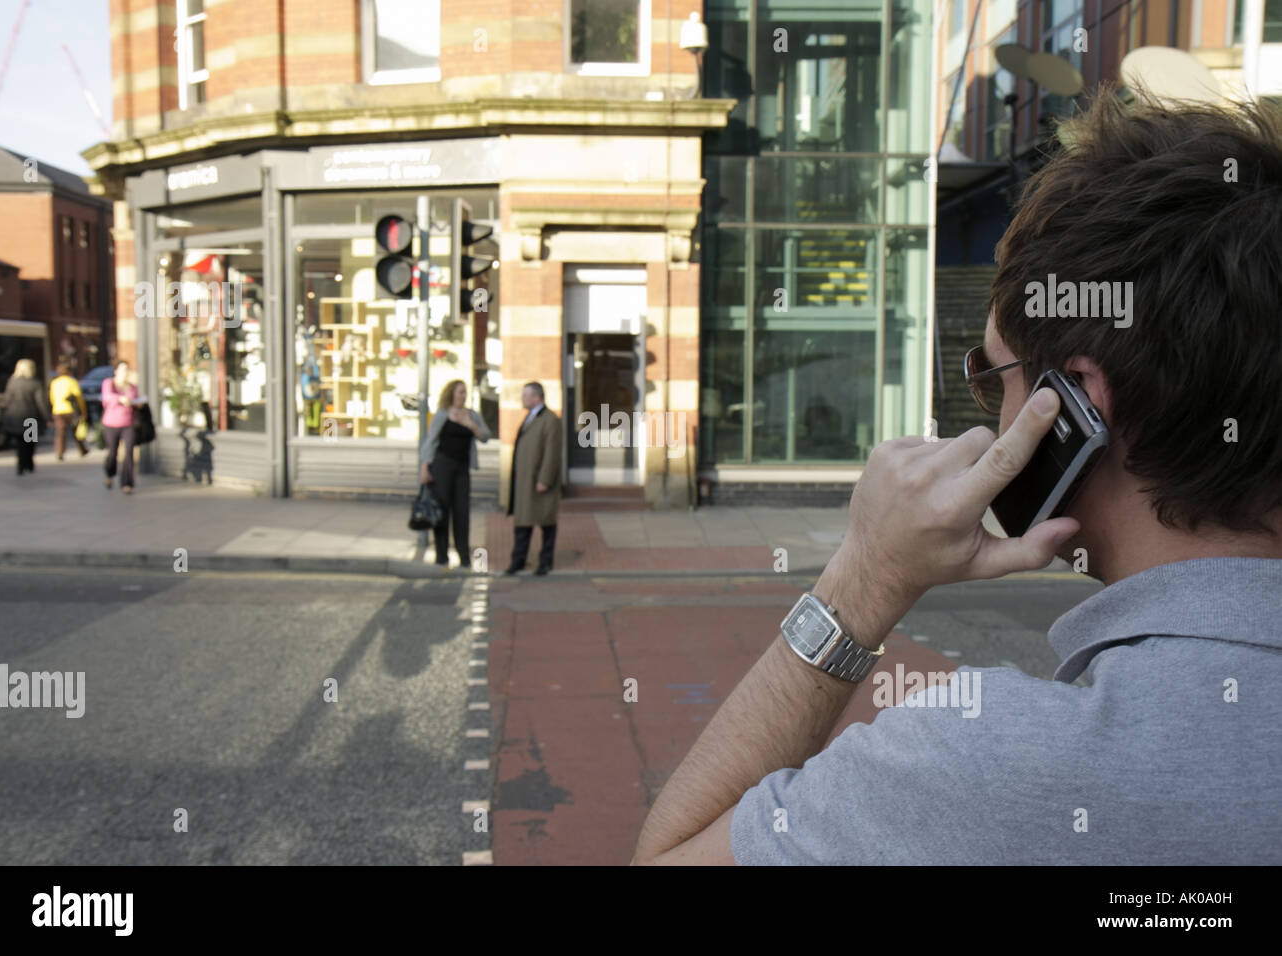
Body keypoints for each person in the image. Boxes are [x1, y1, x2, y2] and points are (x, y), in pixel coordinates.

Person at [632, 87, 1282, 865]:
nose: (990, 422)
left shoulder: (986, 764)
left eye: (994, 378)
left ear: (1075, 405)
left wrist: (862, 581)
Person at [419, 379, 493, 569]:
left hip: (462, 468)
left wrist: (471, 425)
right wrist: (425, 467)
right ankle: (441, 556)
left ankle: (464, 557)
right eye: (460, 392)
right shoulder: (442, 414)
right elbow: (431, 441)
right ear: (451, 394)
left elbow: (485, 436)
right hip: (441, 467)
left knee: (462, 512)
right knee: (441, 511)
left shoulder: (472, 415)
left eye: (465, 392)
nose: (463, 396)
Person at [506, 382, 562, 576]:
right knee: (523, 522)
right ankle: (518, 560)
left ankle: (545, 562)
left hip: (539, 480)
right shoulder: (530, 417)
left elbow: (552, 453)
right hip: (525, 481)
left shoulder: (550, 420)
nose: (523, 399)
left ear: (537, 398)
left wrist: (544, 479)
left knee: (546, 523)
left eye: (526, 395)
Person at [0, 359, 51, 476]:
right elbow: (41, 403)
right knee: (30, 443)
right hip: (30, 418)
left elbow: (7, 400)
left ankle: (21, 465)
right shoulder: (34, 383)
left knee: (19, 443)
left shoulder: (12, 382)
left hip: (14, 417)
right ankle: (28, 464)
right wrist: (47, 418)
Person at [101, 360, 139, 494]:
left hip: (128, 423)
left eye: (127, 369)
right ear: (116, 371)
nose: (125, 372)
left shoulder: (132, 387)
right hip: (111, 423)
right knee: (113, 453)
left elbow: (135, 400)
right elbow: (106, 398)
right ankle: (109, 474)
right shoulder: (109, 383)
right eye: (122, 369)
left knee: (129, 453)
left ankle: (127, 483)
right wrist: (120, 399)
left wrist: (138, 404)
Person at [49, 363, 90, 460]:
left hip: (58, 410)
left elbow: (52, 398)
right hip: (71, 410)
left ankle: (59, 452)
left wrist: (54, 406)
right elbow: (79, 398)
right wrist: (83, 411)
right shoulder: (72, 382)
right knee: (76, 431)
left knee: (60, 432)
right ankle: (82, 449)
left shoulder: (54, 383)